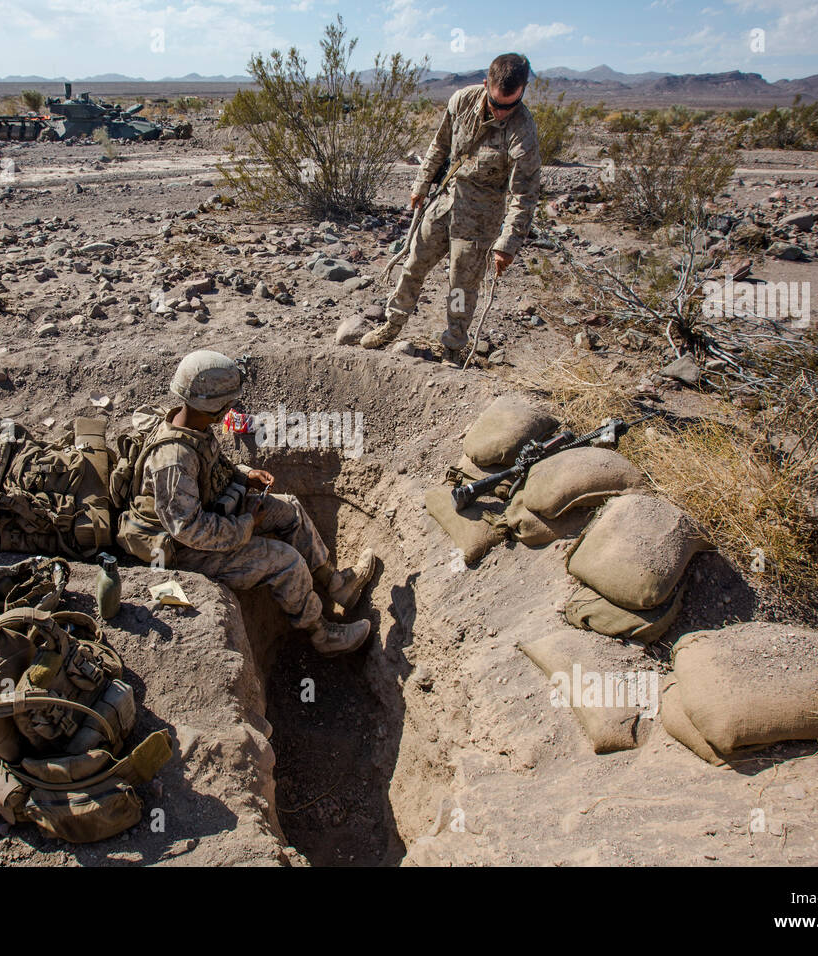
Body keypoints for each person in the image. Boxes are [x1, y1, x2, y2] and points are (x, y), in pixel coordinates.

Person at [117, 350, 378, 655]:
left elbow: (212, 468)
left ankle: (335, 583)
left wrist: (243, 476)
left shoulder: (191, 424)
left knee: (289, 508)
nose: (232, 407)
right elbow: (188, 529)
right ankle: (321, 634)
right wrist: (246, 525)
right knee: (286, 561)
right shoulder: (173, 460)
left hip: (211, 514)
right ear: (215, 406)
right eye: (228, 402)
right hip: (182, 551)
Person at [360, 52, 542, 361]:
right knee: (414, 263)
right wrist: (422, 183)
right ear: (487, 85)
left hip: (480, 218)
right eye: (497, 104)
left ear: (523, 89)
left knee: (461, 286)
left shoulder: (523, 131)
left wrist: (507, 244)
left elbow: (524, 195)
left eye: (510, 105)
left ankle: (453, 345)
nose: (501, 113)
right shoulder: (462, 101)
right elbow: (440, 144)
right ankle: (392, 324)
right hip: (445, 201)